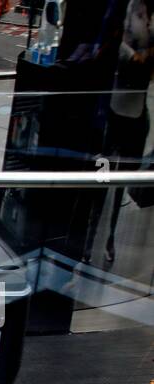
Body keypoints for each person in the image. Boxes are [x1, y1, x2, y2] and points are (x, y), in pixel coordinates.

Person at [85, 0, 153, 265]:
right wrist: (134, 56)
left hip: (137, 113)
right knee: (101, 181)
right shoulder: (124, 6)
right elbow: (106, 45)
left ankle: (108, 239)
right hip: (113, 110)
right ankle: (89, 241)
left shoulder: (149, 12)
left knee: (120, 182)